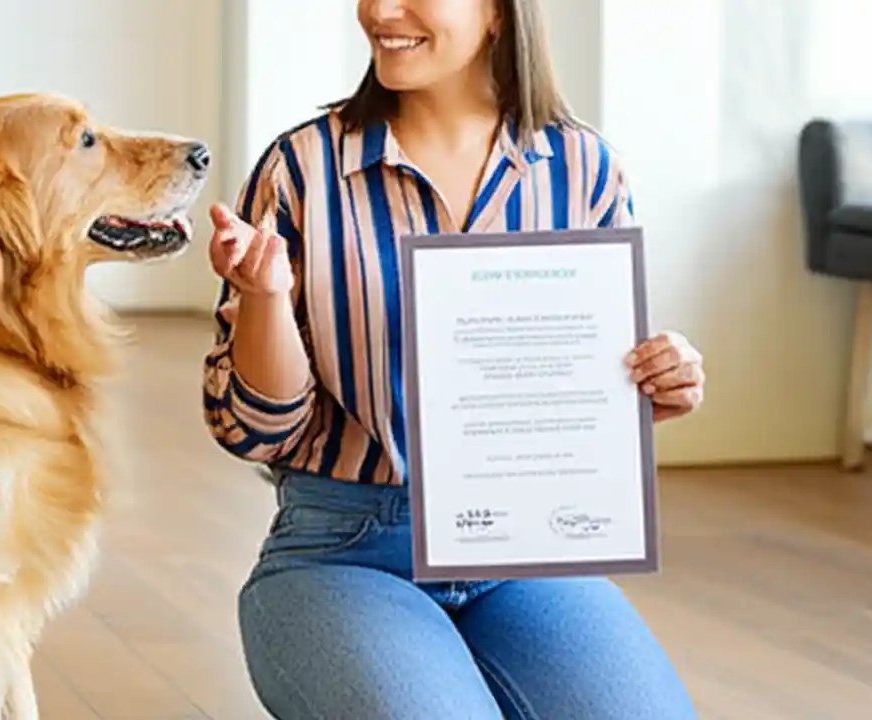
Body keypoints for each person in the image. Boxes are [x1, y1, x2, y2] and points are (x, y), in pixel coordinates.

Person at [201, 0, 706, 718]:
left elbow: (586, 391)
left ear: (499, 13)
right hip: (343, 545)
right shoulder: (303, 169)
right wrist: (265, 298)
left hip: (526, 556)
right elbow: (257, 430)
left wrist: (654, 382)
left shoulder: (584, 168)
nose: (379, 10)